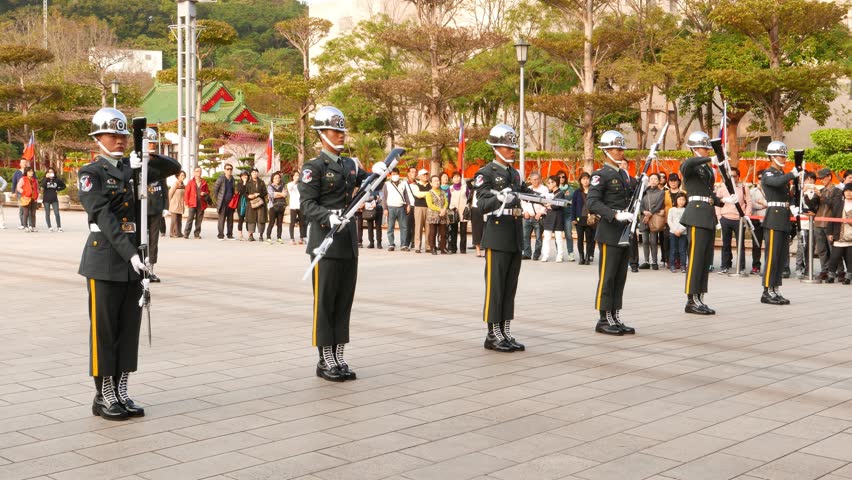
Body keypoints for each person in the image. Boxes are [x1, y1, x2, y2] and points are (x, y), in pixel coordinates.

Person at [299, 106, 382, 382]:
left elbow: (368, 185)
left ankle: (339, 354)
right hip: (325, 243)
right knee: (325, 303)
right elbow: (307, 205)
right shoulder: (314, 167)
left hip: (348, 243)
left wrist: (376, 177)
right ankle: (325, 359)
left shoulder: (350, 165)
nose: (341, 135)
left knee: (344, 301)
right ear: (322, 134)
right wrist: (329, 216)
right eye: (335, 130)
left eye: (342, 130)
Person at [78, 108, 147, 420]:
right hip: (106, 259)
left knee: (128, 329)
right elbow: (104, 215)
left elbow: (172, 167)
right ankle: (103, 394)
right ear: (98, 139)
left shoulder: (133, 169)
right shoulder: (90, 173)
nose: (120, 140)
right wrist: (130, 253)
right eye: (113, 135)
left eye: (123, 135)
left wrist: (144, 157)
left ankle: (121, 389)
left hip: (134, 260)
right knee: (105, 331)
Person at [474, 124, 531, 352]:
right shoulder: (486, 173)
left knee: (509, 287)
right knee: (496, 287)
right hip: (497, 235)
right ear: (496, 147)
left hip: (514, 233)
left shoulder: (514, 173)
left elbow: (526, 192)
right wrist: (500, 197)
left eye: (513, 147)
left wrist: (545, 199)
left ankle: (505, 330)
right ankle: (492, 334)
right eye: (508, 147)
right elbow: (481, 204)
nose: (512, 150)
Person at [587, 131, 636, 335]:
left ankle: (614, 316)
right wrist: (614, 216)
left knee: (619, 277)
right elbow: (592, 202)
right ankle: (603, 319)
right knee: (608, 277)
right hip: (609, 231)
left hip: (624, 231)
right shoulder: (601, 175)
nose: (620, 152)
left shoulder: (623, 175)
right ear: (606, 151)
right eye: (616, 149)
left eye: (622, 149)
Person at [679, 131, 732, 315]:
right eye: (702, 147)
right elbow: (687, 164)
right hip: (695, 215)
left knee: (704, 260)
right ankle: (691, 299)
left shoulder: (707, 168)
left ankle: (700, 297)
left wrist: (723, 201)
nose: (705, 150)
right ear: (693, 148)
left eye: (707, 148)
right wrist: (710, 158)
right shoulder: (690, 164)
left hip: (708, 214)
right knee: (695, 259)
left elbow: (708, 193)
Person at [760, 141, 799, 305]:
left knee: (781, 256)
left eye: (784, 156)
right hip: (774, 218)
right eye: (780, 156)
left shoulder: (782, 176)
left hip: (783, 217)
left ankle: (775, 289)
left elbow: (787, 195)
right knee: (772, 256)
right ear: (772, 157)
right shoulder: (769, 174)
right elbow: (776, 183)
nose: (783, 159)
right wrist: (792, 174)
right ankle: (767, 290)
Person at [715, 167, 752, 274]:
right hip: (725, 218)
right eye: (729, 176)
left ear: (738, 176)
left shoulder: (744, 187)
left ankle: (740, 267)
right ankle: (725, 266)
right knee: (725, 244)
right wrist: (719, 217)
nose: (732, 178)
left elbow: (748, 202)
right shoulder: (722, 187)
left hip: (739, 219)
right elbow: (717, 203)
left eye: (734, 176)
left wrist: (747, 215)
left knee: (740, 244)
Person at [811, 168, 844, 279]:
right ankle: (824, 270)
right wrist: (808, 194)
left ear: (829, 177)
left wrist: (821, 195)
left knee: (834, 249)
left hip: (831, 223)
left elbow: (835, 205)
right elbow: (813, 205)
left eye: (823, 178)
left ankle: (840, 272)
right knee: (821, 249)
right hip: (819, 222)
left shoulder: (837, 191)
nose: (821, 180)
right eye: (820, 178)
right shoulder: (821, 190)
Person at [826, 183, 852, 284]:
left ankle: (848, 278)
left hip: (851, 236)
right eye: (846, 191)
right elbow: (832, 219)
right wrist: (830, 233)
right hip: (839, 234)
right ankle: (831, 276)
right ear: (843, 193)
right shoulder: (839, 203)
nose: (848, 193)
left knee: (850, 259)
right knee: (834, 257)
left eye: (850, 191)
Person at [638, 174, 665, 270]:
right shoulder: (644, 192)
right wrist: (644, 212)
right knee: (645, 240)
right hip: (644, 218)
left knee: (653, 241)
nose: (653, 180)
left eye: (655, 179)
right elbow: (640, 204)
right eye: (651, 179)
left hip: (654, 218)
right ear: (649, 181)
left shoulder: (661, 192)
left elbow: (659, 205)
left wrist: (650, 214)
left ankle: (654, 262)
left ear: (659, 181)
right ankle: (646, 261)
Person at [618, 158, 641, 272]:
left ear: (628, 166)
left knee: (632, 238)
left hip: (630, 212)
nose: (622, 165)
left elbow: (638, 196)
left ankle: (634, 263)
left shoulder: (633, 181)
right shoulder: (615, 180)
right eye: (620, 164)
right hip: (618, 213)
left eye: (624, 164)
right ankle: (622, 262)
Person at [382, 167, 410, 252]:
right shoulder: (386, 184)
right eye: (393, 174)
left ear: (399, 174)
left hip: (401, 207)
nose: (395, 176)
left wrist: (408, 205)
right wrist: (385, 208)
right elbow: (384, 197)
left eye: (396, 174)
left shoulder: (403, 183)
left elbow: (406, 195)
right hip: (390, 208)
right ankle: (391, 244)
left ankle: (404, 245)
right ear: (390, 175)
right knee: (390, 227)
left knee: (404, 227)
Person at [521, 172, 548, 260]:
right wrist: (525, 211)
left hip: (538, 217)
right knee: (525, 236)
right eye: (534, 179)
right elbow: (523, 201)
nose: (536, 181)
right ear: (531, 180)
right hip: (527, 216)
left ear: (540, 179)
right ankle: (527, 253)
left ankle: (536, 255)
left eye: (538, 179)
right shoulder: (527, 189)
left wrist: (540, 212)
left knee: (538, 237)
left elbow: (546, 202)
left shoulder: (544, 189)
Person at [540, 175, 567, 262]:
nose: (549, 184)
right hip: (549, 217)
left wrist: (550, 205)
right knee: (546, 237)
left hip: (558, 217)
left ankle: (560, 255)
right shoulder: (549, 193)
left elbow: (557, 205)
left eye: (550, 182)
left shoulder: (561, 193)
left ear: (555, 183)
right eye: (548, 183)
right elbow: (544, 203)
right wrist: (549, 205)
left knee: (558, 238)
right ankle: (545, 255)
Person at [572, 172, 596, 265]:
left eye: (587, 178)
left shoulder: (593, 191)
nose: (585, 181)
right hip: (580, 218)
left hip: (590, 218)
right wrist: (573, 218)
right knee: (580, 239)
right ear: (580, 181)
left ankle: (587, 257)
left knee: (590, 239)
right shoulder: (577, 192)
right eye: (583, 179)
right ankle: (581, 257)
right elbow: (573, 206)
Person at [424, 174, 449, 255]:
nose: (437, 182)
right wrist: (441, 209)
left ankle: (443, 248)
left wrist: (444, 209)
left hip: (443, 215)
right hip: (433, 215)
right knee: (433, 232)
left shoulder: (442, 192)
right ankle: (433, 248)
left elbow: (446, 202)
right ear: (431, 183)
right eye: (435, 181)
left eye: (438, 181)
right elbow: (430, 205)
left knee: (443, 232)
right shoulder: (429, 193)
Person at [183, 167, 209, 239]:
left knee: (199, 220)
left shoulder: (204, 182)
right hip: (192, 203)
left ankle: (197, 234)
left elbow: (208, 191)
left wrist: (205, 193)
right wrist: (186, 203)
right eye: (197, 171)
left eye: (200, 171)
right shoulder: (190, 182)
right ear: (194, 173)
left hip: (201, 204)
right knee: (190, 219)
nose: (199, 173)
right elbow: (186, 193)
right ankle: (186, 234)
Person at [213, 163, 237, 240]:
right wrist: (218, 200)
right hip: (223, 202)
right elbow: (215, 190)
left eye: (230, 169)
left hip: (230, 202)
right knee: (221, 219)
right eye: (227, 169)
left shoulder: (232, 179)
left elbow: (233, 190)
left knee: (230, 219)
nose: (229, 170)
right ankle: (220, 235)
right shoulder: (221, 179)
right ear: (224, 170)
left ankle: (230, 235)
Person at [447, 171, 470, 254]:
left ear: (460, 178)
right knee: (453, 230)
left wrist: (467, 208)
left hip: (463, 210)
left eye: (458, 177)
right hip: (453, 210)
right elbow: (449, 199)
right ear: (452, 179)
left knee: (463, 231)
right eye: (455, 177)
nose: (457, 178)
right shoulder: (450, 188)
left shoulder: (465, 187)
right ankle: (453, 248)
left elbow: (468, 198)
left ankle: (463, 248)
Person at [749, 172, 767, 274]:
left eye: (763, 178)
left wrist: (763, 203)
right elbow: (752, 204)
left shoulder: (770, 191)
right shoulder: (752, 191)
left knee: (769, 245)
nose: (761, 180)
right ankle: (756, 266)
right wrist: (764, 205)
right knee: (756, 245)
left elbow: (771, 204)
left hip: (768, 220)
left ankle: (768, 266)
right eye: (759, 178)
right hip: (756, 220)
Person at [40, 166, 66, 232]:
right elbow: (42, 186)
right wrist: (46, 178)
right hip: (46, 199)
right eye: (49, 172)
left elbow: (64, 186)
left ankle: (59, 227)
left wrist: (58, 189)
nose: (51, 173)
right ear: (47, 173)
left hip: (54, 198)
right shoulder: (44, 179)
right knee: (47, 213)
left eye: (52, 172)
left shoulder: (57, 180)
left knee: (57, 213)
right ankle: (49, 227)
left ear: (54, 173)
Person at [245, 168, 268, 242]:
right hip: (251, 202)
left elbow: (265, 192)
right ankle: (251, 235)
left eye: (256, 172)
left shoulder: (261, 182)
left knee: (261, 218)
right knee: (251, 218)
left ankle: (261, 235)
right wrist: (249, 196)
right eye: (253, 172)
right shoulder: (248, 183)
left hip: (260, 202)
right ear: (251, 174)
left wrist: (259, 194)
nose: (255, 173)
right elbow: (245, 193)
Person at [411, 169, 431, 253]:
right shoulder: (415, 185)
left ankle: (428, 246)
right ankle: (417, 246)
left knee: (429, 227)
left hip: (429, 207)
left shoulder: (430, 185)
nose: (425, 176)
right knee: (418, 227)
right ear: (419, 176)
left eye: (426, 174)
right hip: (419, 207)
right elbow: (418, 195)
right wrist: (428, 193)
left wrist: (426, 193)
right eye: (423, 175)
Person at [667, 194, 688, 273]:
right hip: (673, 232)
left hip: (683, 233)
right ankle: (672, 265)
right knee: (673, 249)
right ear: (676, 200)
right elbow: (669, 221)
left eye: (683, 200)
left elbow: (687, 222)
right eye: (680, 199)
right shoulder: (672, 209)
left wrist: (680, 230)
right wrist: (675, 230)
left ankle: (683, 265)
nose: (681, 201)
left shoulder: (686, 210)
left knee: (682, 250)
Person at [266, 171, 288, 244]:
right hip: (273, 207)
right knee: (271, 223)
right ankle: (268, 238)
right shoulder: (270, 186)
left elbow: (285, 194)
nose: (277, 179)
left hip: (281, 206)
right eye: (275, 178)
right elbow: (272, 195)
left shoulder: (283, 186)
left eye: (278, 178)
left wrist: (277, 193)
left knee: (280, 223)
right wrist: (281, 194)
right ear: (272, 179)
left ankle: (279, 237)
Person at [16, 166, 39, 232]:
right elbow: (18, 187)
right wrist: (24, 192)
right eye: (29, 171)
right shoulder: (23, 179)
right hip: (26, 198)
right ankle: (26, 226)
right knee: (26, 213)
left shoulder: (35, 180)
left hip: (33, 198)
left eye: (32, 171)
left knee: (33, 213)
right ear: (26, 172)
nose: (31, 173)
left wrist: (37, 195)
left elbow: (37, 188)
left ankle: (32, 226)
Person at [287, 171, 307, 244]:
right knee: (292, 222)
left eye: (298, 175)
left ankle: (301, 238)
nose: (297, 177)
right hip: (293, 206)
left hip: (301, 205)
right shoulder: (289, 184)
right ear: (293, 177)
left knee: (302, 223)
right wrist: (295, 181)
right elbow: (290, 189)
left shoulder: (302, 184)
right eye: (295, 175)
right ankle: (292, 238)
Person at [168, 171, 186, 237]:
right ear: (178, 176)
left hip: (180, 204)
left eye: (184, 175)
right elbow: (170, 193)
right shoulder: (175, 184)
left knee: (179, 219)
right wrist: (169, 203)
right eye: (181, 175)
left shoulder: (183, 184)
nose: (183, 177)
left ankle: (179, 232)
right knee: (174, 219)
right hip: (174, 204)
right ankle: (171, 233)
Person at [404, 166, 418, 250]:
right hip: (409, 206)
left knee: (416, 226)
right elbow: (403, 195)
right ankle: (406, 243)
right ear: (408, 174)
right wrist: (407, 204)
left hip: (417, 206)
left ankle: (414, 243)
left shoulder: (418, 183)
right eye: (412, 172)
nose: (414, 173)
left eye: (415, 172)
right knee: (408, 226)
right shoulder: (404, 183)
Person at [470, 179, 485, 257]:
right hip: (475, 209)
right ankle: (478, 249)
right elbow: (468, 182)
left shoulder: (487, 186)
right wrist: (475, 178)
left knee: (485, 229)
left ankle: (485, 248)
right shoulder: (474, 187)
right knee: (476, 230)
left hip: (486, 208)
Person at [12, 159, 28, 229]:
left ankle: (29, 224)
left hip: (28, 193)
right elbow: (14, 183)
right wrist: (13, 192)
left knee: (28, 209)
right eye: (23, 162)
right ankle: (23, 224)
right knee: (21, 209)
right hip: (20, 194)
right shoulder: (17, 173)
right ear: (20, 164)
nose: (24, 163)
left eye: (25, 162)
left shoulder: (29, 172)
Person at [236, 171, 249, 240]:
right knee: (241, 219)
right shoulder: (239, 184)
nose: (245, 176)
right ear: (241, 177)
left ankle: (249, 234)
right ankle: (240, 234)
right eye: (243, 175)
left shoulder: (250, 183)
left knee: (248, 219)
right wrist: (244, 183)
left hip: (248, 203)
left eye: (246, 175)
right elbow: (240, 191)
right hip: (240, 203)